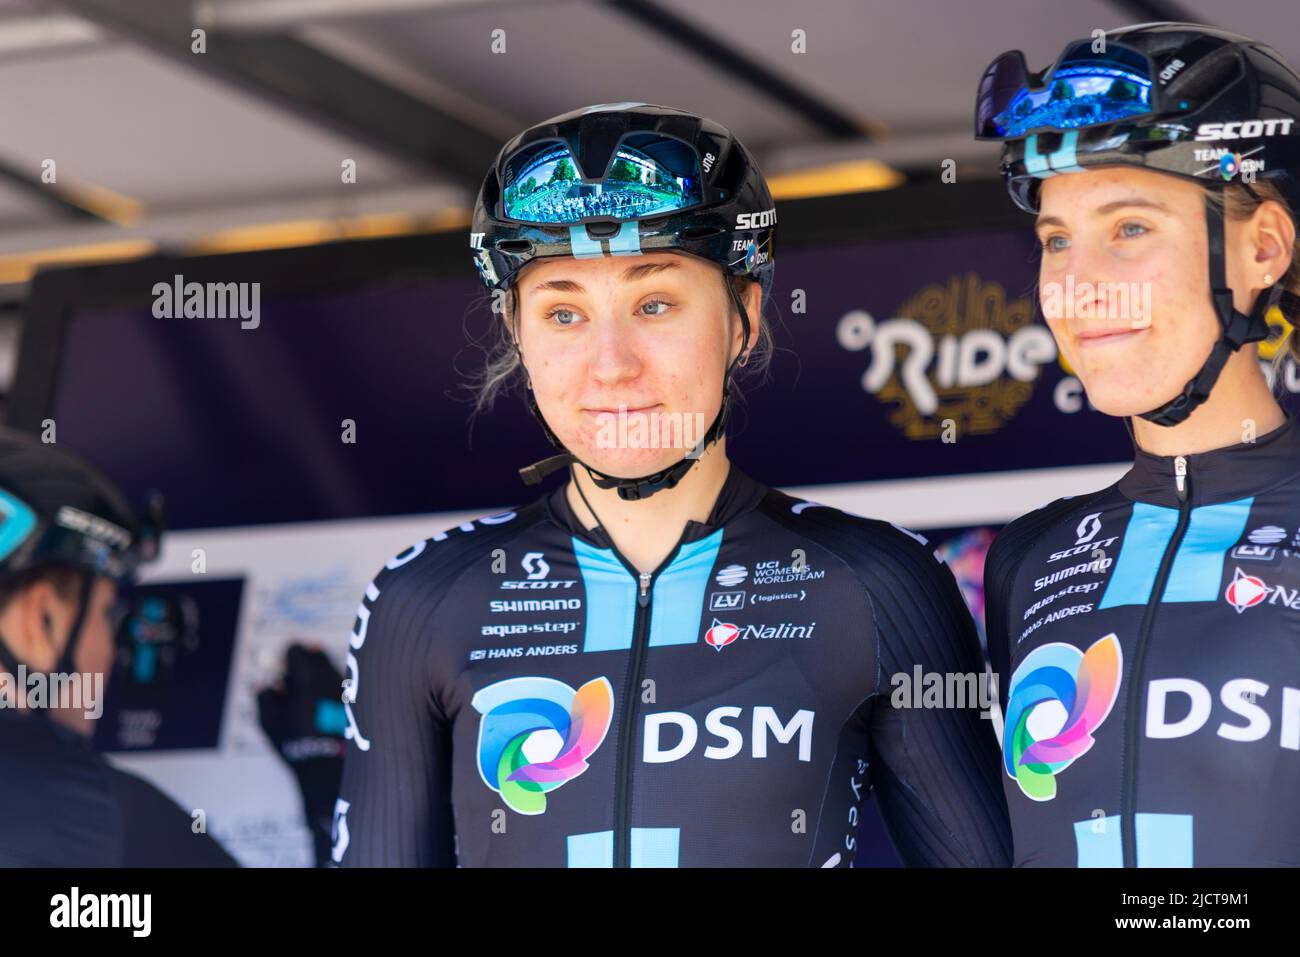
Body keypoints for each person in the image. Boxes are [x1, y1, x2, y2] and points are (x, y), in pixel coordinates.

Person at [335, 103, 1011, 867]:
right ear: (516, 335)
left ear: (744, 318)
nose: (611, 364)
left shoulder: (874, 582)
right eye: (563, 312)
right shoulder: (423, 600)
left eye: (654, 304)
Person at [977, 22, 1300, 866]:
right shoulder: (1030, 556)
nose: (1076, 287)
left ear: (1262, 246)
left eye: (1128, 228)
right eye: (1056, 239)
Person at [0, 429, 236, 867]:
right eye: (108, 615)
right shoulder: (90, 809)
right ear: (41, 616)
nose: (114, 650)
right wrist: (323, 777)